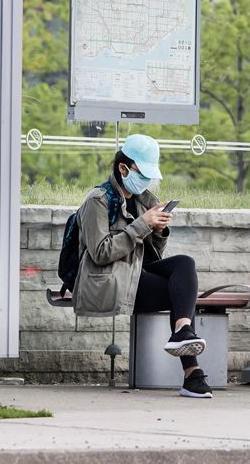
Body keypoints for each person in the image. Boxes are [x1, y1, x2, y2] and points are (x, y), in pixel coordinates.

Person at [72, 133, 212, 398]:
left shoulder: (142, 199)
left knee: (184, 264)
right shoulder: (97, 201)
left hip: (138, 274)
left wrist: (158, 231)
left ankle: (182, 331)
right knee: (178, 291)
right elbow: (100, 252)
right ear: (123, 168)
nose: (146, 181)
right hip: (110, 280)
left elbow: (150, 254)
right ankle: (192, 373)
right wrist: (143, 224)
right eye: (142, 173)